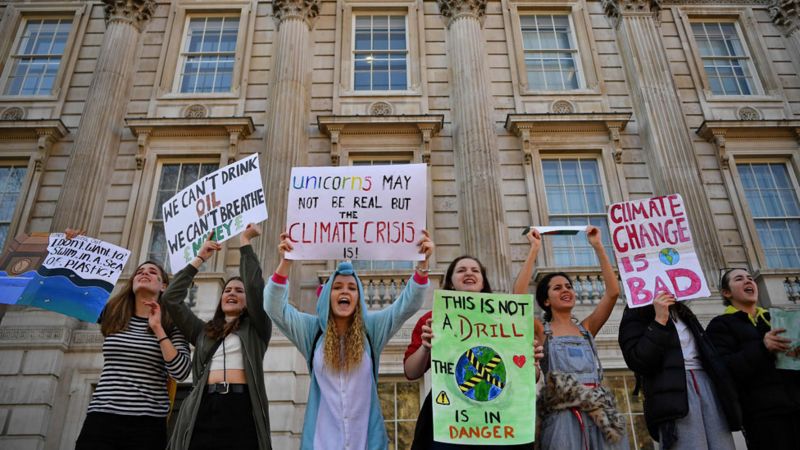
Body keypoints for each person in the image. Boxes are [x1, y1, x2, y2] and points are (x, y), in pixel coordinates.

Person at [263, 230, 434, 449]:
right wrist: (286, 263)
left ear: (358, 298)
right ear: (327, 296)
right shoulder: (311, 331)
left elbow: (406, 306)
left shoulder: (371, 329)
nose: (345, 292)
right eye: (337, 287)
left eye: (352, 288)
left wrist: (422, 264)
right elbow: (274, 307)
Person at [403, 255, 545, 450]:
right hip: (449, 420)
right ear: (450, 283)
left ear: (483, 282)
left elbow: (531, 377)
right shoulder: (433, 318)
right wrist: (425, 347)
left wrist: (532, 362)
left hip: (500, 422)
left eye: (475, 270)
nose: (469, 273)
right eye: (461, 270)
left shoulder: (507, 320)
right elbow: (411, 372)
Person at [512, 226, 628, 450]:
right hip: (563, 414)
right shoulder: (542, 331)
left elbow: (613, 292)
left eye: (568, 286)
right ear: (546, 301)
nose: (565, 290)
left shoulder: (587, 329)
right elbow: (517, 299)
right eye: (557, 288)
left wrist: (598, 246)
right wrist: (534, 249)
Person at [162, 224, 272, 450]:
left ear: (248, 301)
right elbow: (170, 298)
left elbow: (254, 286)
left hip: (241, 408)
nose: (232, 293)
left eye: (239, 291)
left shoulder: (257, 329)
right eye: (228, 290)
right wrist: (199, 259)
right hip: (203, 407)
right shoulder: (202, 331)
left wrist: (245, 243)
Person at [76, 259, 192, 450]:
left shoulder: (172, 323)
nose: (144, 273)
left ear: (163, 286)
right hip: (101, 418)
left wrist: (157, 328)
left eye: (152, 271)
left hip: (147, 424)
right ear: (132, 283)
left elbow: (180, 372)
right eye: (139, 271)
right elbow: (75, 297)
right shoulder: (113, 314)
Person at [618, 292, 741, 449]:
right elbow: (638, 360)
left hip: (707, 386)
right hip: (673, 394)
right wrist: (659, 321)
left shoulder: (682, 310)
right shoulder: (635, 312)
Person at [706, 268, 800, 450]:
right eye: (739, 279)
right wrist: (762, 348)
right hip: (763, 417)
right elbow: (724, 369)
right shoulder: (720, 325)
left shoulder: (777, 318)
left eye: (750, 278)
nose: (748, 281)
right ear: (726, 292)